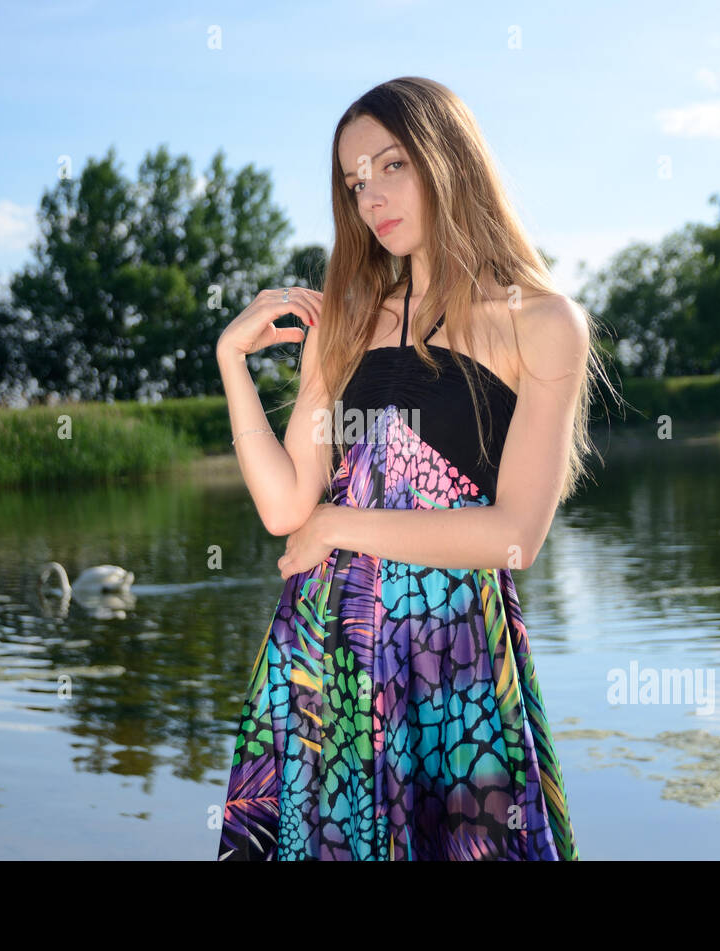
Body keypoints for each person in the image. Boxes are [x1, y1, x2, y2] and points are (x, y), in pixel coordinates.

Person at [213, 76, 614, 860]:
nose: (370, 197)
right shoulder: (350, 321)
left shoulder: (540, 323)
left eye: (390, 165)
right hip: (324, 657)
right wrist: (231, 362)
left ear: (447, 157)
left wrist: (336, 523)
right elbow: (283, 504)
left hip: (449, 661)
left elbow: (513, 539)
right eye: (354, 181)